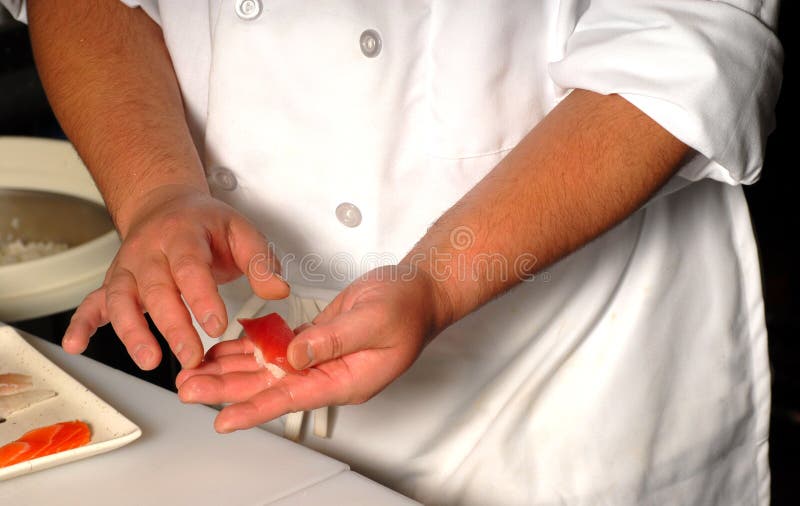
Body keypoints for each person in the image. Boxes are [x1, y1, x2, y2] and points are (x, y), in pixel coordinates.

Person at [2, 0, 783, 503]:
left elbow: (683, 39)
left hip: (567, 378)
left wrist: (438, 281)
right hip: (244, 360)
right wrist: (156, 194)